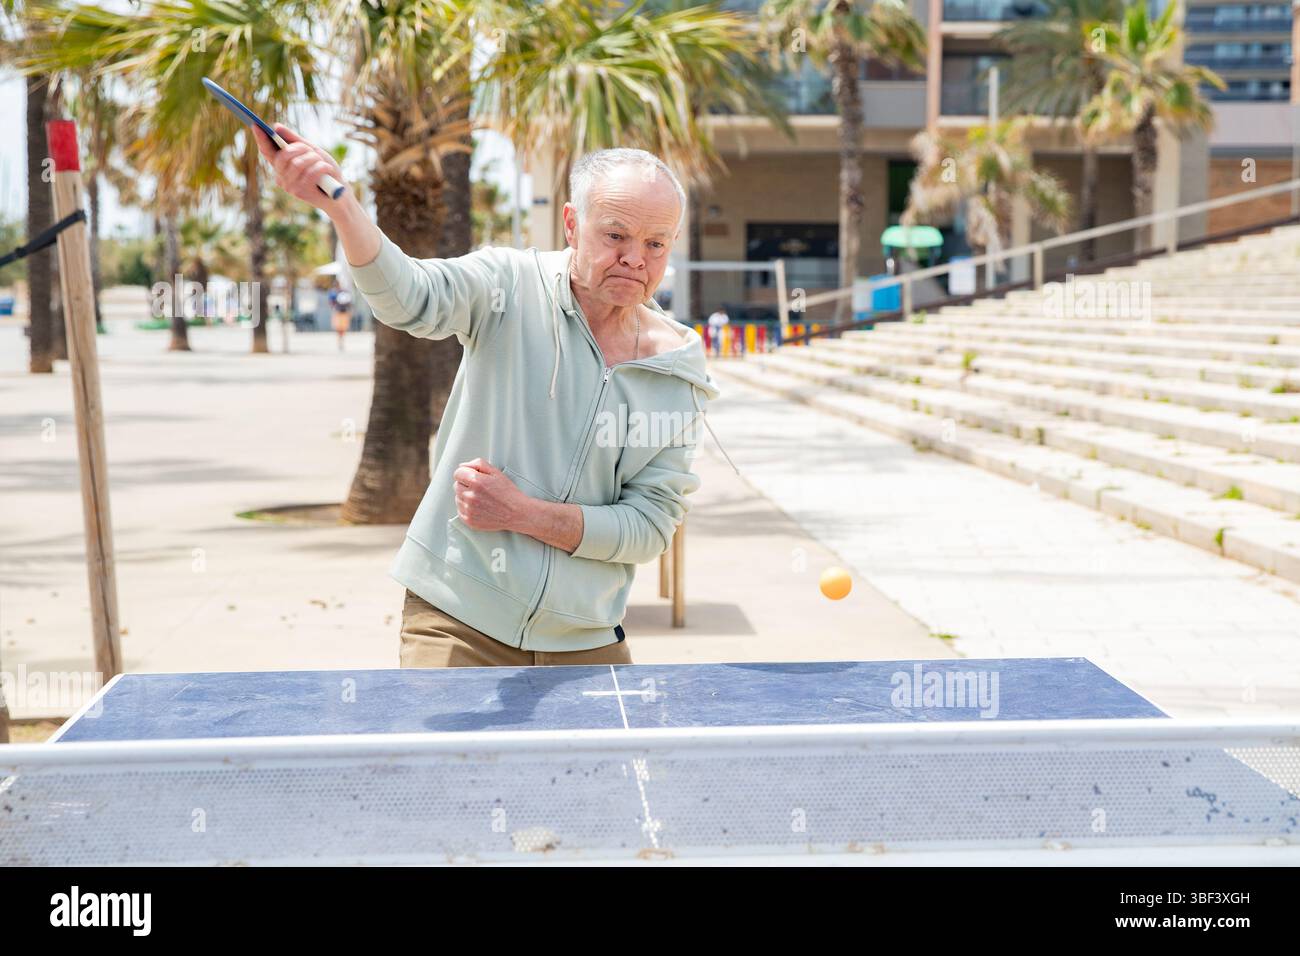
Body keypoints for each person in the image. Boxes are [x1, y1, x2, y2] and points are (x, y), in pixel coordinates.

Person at [255, 126, 736, 668]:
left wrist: (523, 514)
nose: (634, 259)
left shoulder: (676, 366)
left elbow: (649, 527)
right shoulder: (506, 284)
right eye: (616, 235)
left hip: (586, 637)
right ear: (573, 226)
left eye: (655, 243)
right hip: (456, 621)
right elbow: (408, 296)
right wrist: (343, 207)